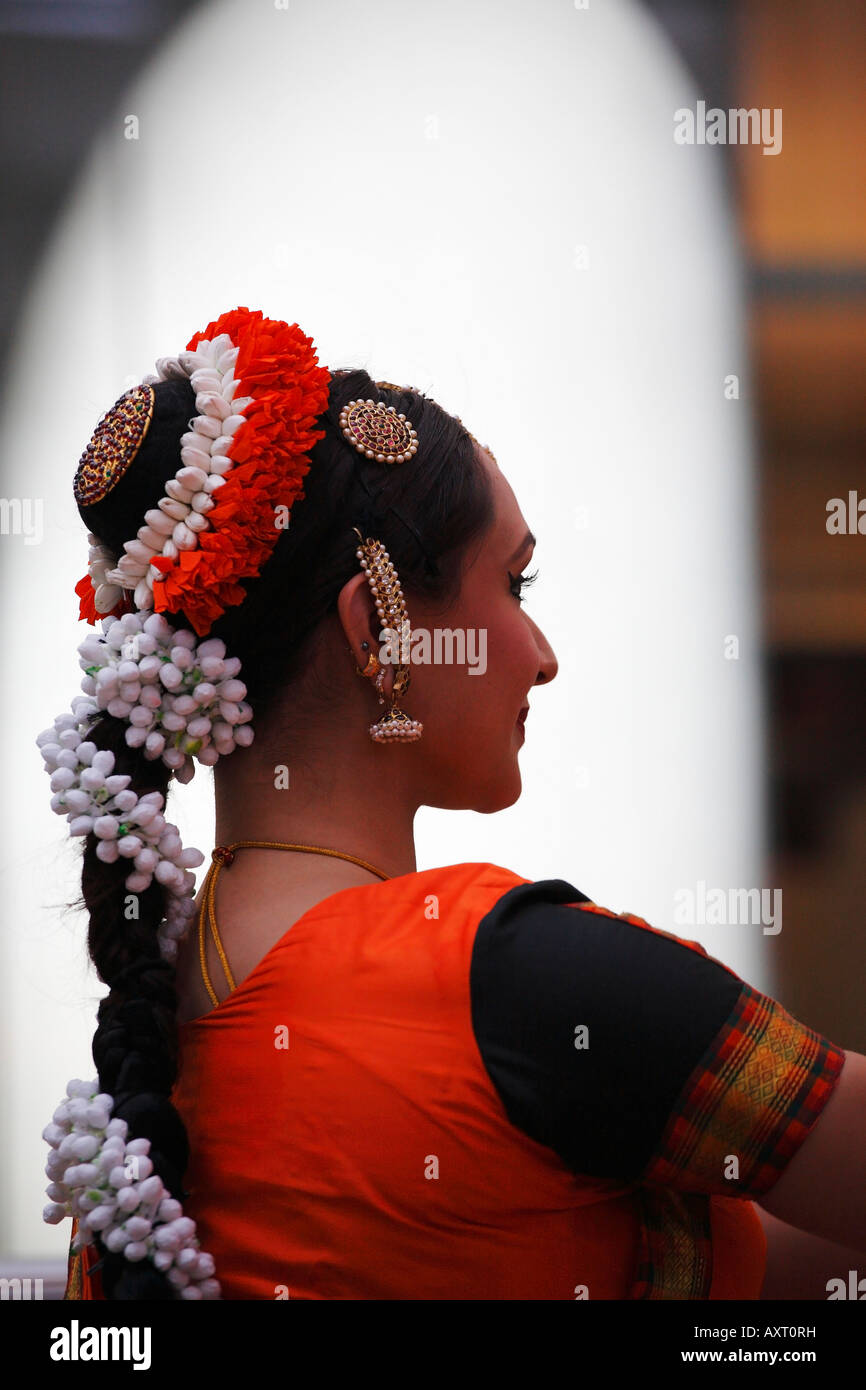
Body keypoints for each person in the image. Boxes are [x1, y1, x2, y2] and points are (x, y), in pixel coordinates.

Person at [41, 307, 866, 1302]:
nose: (542, 656)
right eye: (513, 582)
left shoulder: (149, 1051)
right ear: (380, 628)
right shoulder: (522, 981)